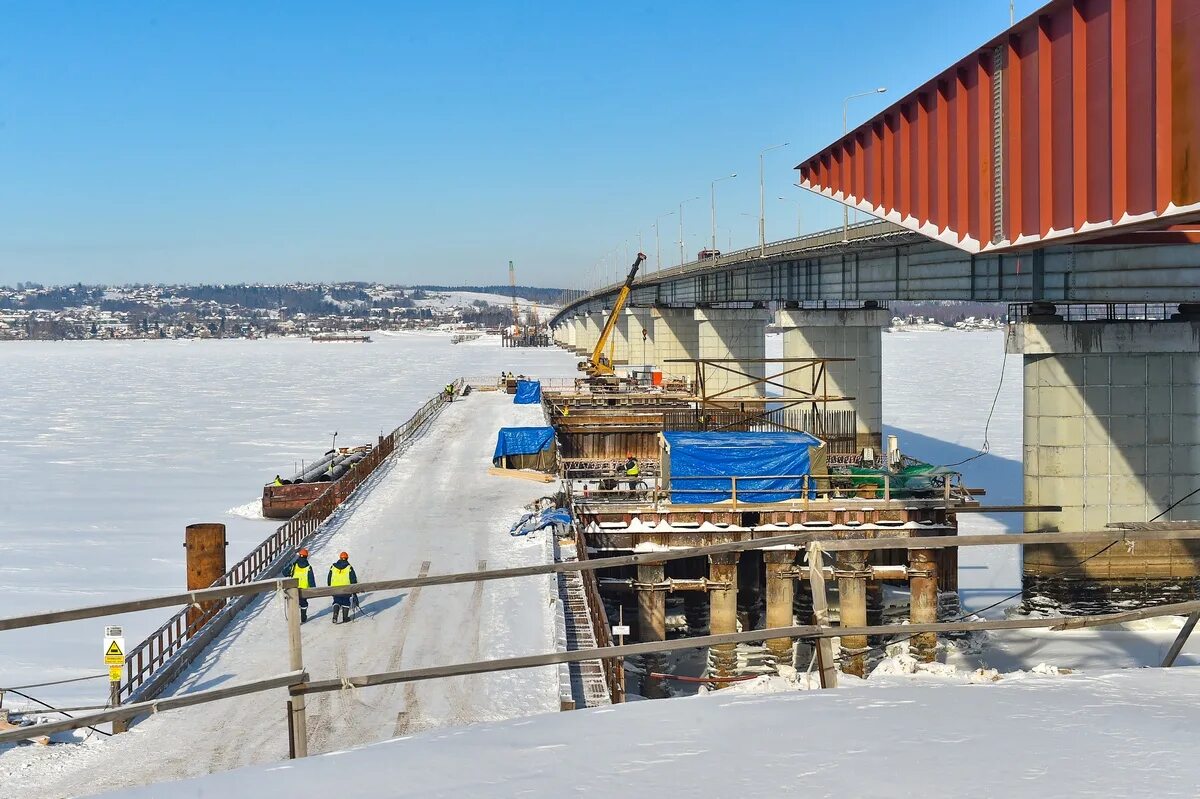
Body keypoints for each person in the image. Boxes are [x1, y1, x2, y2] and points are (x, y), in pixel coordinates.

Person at [328, 551, 358, 624]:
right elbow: (353, 579)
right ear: (347, 558)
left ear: (340, 558)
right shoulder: (349, 567)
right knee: (345, 602)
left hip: (335, 588)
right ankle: (345, 618)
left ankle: (335, 616)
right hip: (346, 589)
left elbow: (329, 577)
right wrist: (354, 589)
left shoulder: (333, 566)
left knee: (336, 601)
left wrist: (329, 586)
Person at [288, 548, 316, 623]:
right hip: (304, 589)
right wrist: (313, 589)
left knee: (295, 603)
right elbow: (311, 579)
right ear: (306, 557)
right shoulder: (308, 567)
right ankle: (303, 617)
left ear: (299, 556)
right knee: (303, 603)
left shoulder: (295, 565)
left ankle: (295, 619)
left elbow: (285, 572)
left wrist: (291, 565)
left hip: (294, 588)